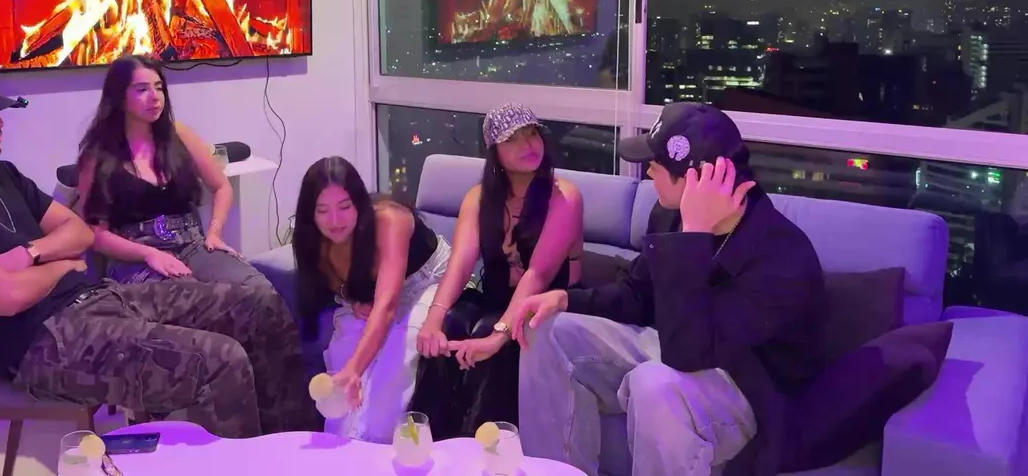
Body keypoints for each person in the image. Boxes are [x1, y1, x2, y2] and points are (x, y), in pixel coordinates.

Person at [0, 55, 316, 437]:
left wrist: (30, 255)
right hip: (45, 343)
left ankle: (293, 445)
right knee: (221, 360)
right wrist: (63, 265)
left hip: (100, 298)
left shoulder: (4, 176)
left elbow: (78, 232)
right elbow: (6, 297)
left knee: (260, 307)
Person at [510, 102, 828, 476]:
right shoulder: (668, 215)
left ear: (698, 179)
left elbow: (688, 353)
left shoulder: (781, 258)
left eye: (656, 165)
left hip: (748, 390)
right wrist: (565, 299)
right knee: (547, 330)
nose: (647, 171)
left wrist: (693, 237)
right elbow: (635, 295)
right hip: (679, 350)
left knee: (655, 384)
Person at [409, 103, 584, 440]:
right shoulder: (478, 198)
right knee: (449, 326)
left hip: (546, 303)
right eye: (512, 139)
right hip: (495, 296)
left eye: (532, 134)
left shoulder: (564, 197)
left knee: (496, 338)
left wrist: (498, 336)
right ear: (494, 151)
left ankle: (484, 447)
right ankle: (427, 439)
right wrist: (432, 319)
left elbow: (537, 275)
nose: (527, 145)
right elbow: (461, 264)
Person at [291, 156, 450, 443]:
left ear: (359, 203)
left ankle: (375, 445)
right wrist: (351, 298)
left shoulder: (390, 220)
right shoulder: (313, 240)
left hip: (426, 279)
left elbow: (386, 306)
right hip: (373, 292)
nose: (335, 221)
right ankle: (340, 444)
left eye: (344, 207)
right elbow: (332, 283)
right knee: (344, 346)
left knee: (397, 353)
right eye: (323, 210)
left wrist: (355, 369)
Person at [75, 55, 269, 289]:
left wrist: (214, 233)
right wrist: (148, 254)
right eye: (142, 89)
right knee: (195, 299)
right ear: (119, 97)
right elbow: (94, 233)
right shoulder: (97, 155)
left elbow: (221, 186)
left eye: (159, 88)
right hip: (136, 256)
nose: (155, 97)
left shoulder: (179, 135)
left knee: (256, 288)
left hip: (193, 245)